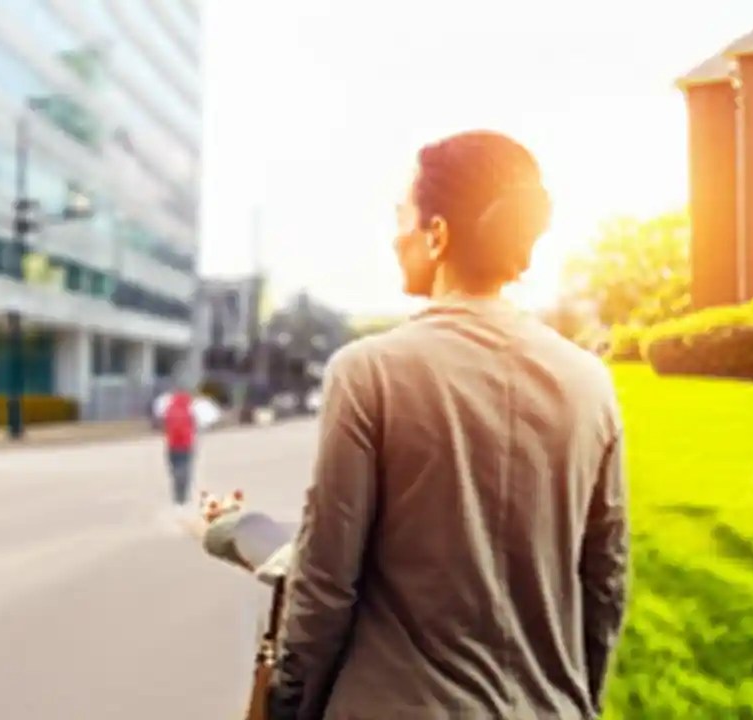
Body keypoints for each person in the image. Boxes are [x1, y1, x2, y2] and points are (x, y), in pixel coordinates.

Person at [267, 130, 630, 719]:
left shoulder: (368, 374)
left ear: (436, 235)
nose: (394, 236)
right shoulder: (590, 384)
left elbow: (325, 586)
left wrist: (288, 706)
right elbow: (605, 582)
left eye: (402, 216)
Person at [162, 389, 198, 509]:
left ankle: (177, 495)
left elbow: (165, 425)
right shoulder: (187, 411)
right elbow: (193, 425)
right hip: (186, 444)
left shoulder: (170, 410)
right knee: (185, 469)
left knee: (174, 469)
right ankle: (183, 495)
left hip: (172, 444)